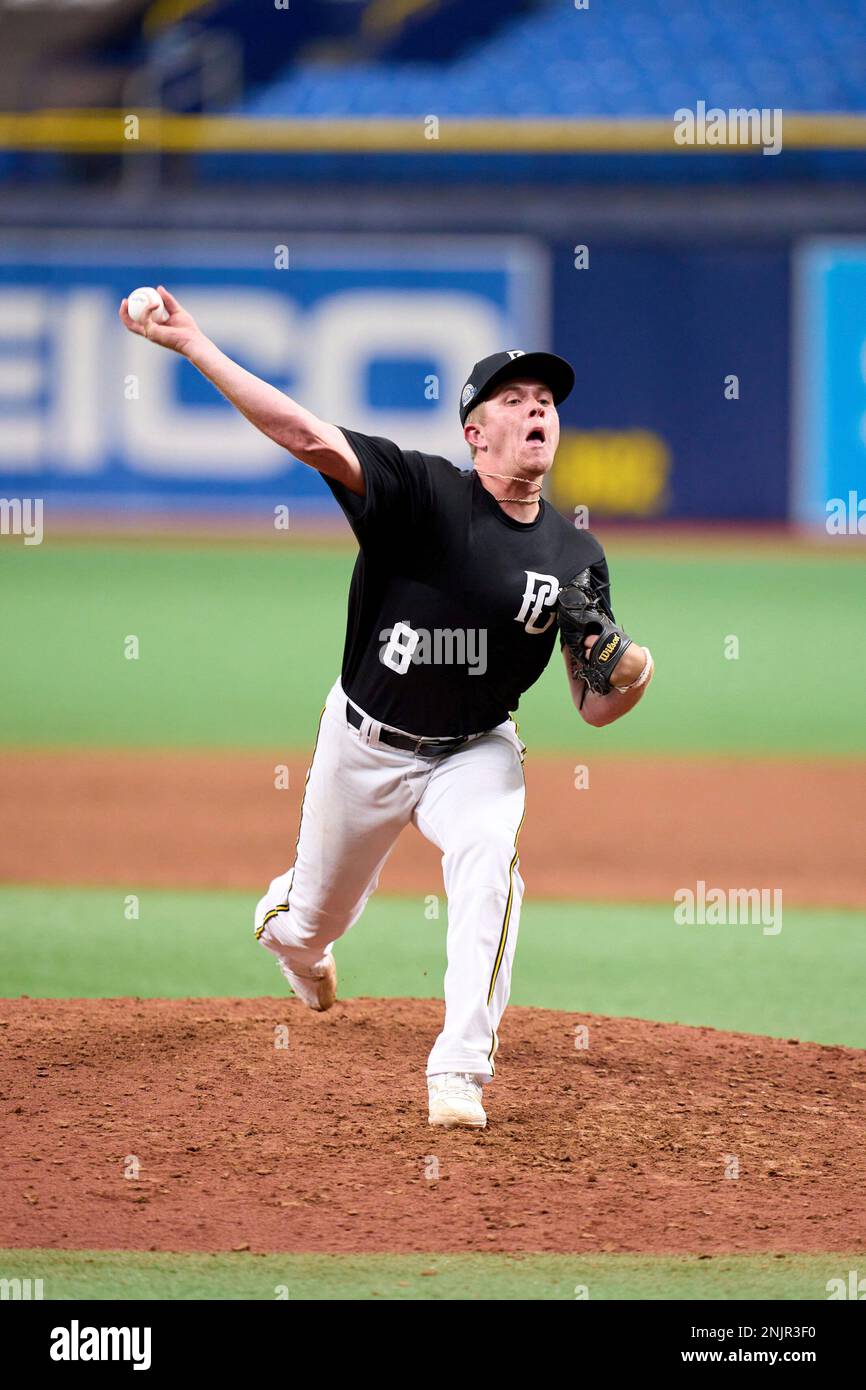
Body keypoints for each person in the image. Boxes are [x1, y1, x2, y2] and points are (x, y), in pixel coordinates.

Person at [120, 289, 654, 1129]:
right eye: (512, 401)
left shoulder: (575, 554)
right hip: (364, 744)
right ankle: (295, 933)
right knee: (308, 923)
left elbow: (590, 706)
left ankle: (460, 1072)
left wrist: (634, 677)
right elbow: (307, 435)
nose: (536, 410)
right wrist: (195, 345)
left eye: (545, 401)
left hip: (476, 752)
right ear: (475, 432)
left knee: (489, 861)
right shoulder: (420, 490)